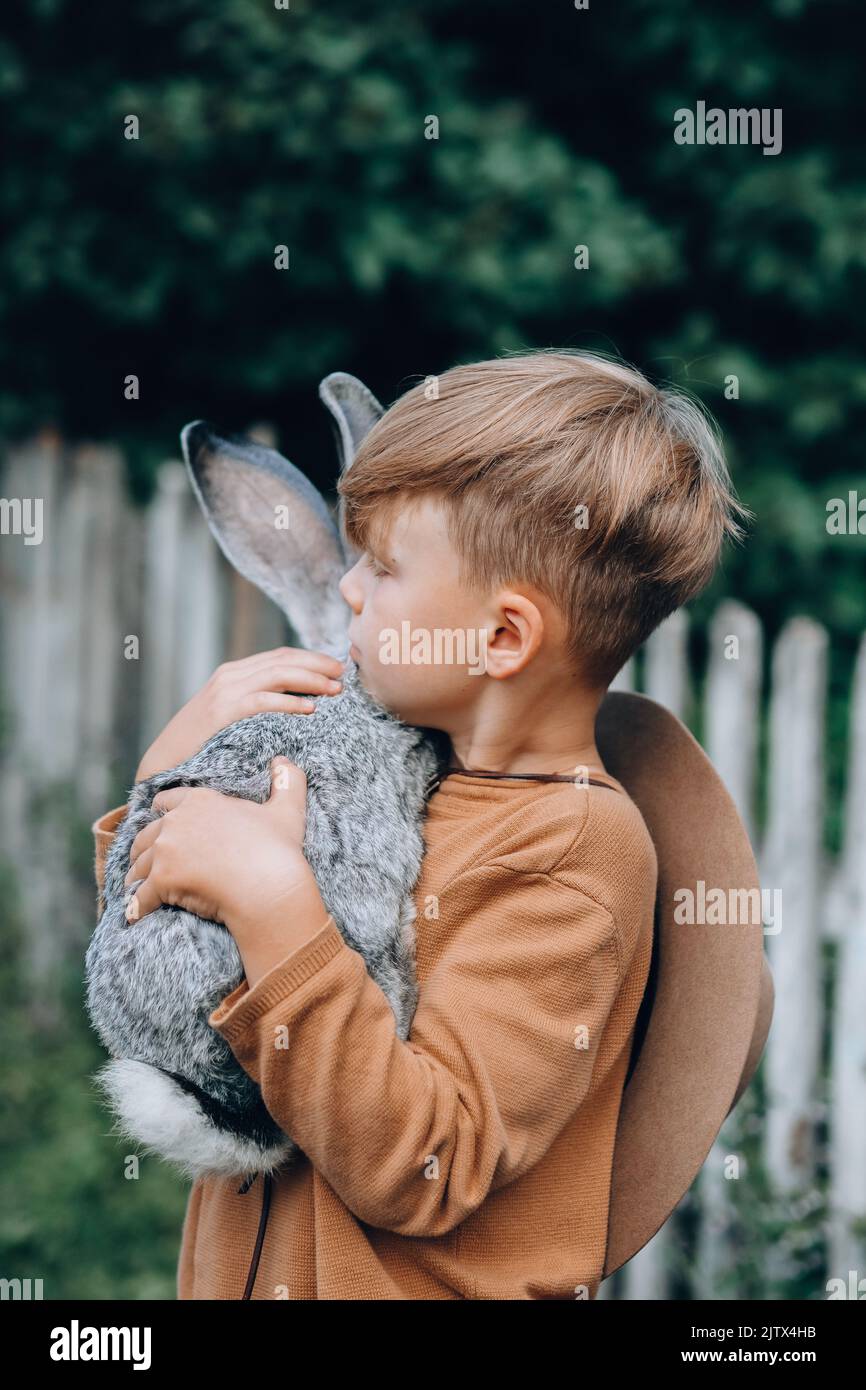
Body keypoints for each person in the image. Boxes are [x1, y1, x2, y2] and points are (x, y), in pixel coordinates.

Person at [91, 349, 750, 1299]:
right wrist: (167, 781)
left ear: (501, 638)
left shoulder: (574, 856)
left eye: (385, 567)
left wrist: (272, 896)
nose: (351, 589)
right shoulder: (409, 769)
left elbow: (423, 1164)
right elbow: (181, 995)